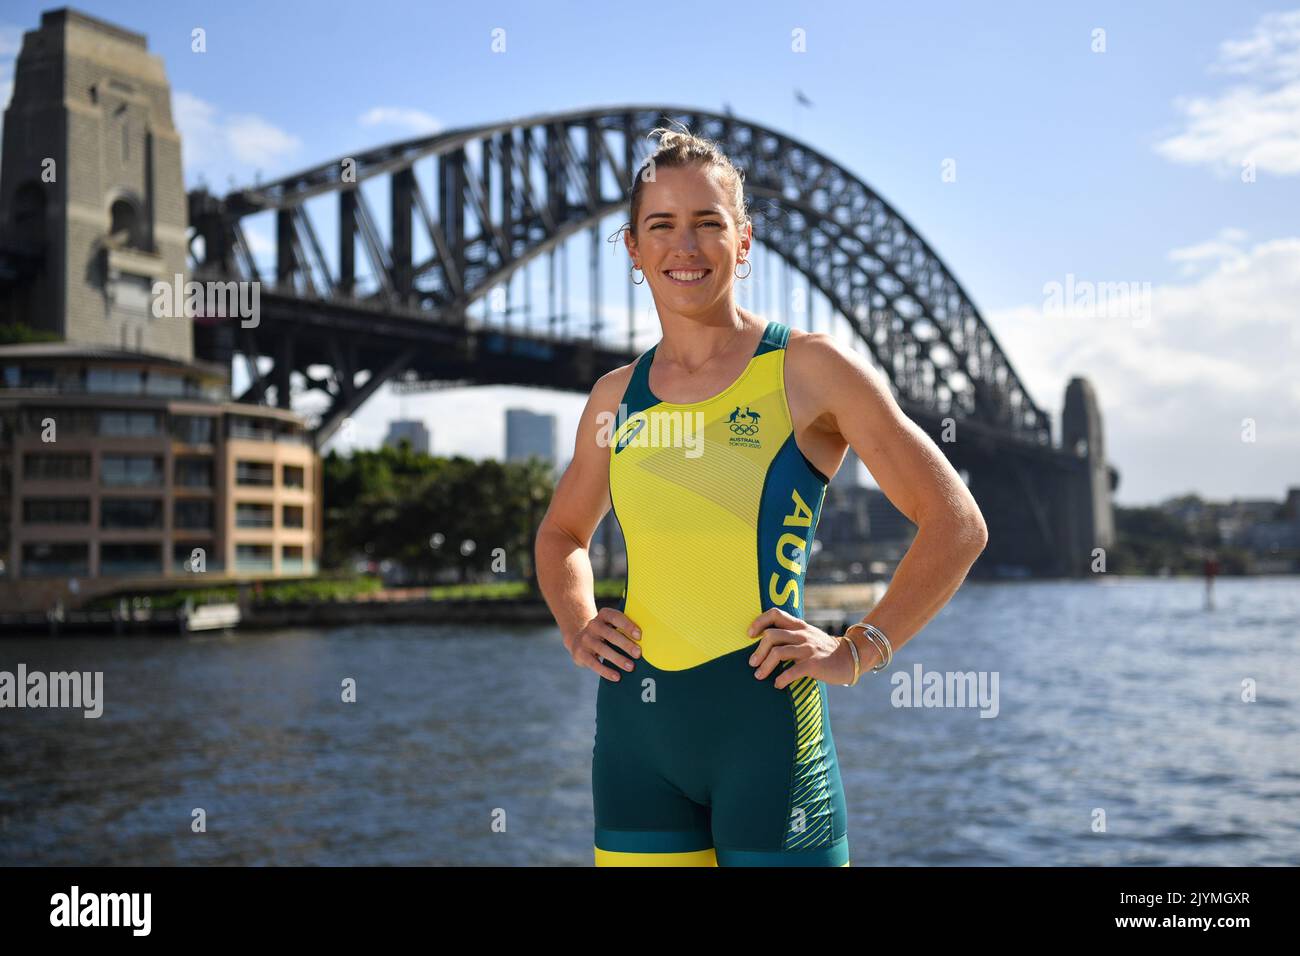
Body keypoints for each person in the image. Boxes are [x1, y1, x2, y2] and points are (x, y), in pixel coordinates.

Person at [534, 125, 988, 867]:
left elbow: (956, 523)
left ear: (743, 243)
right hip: (635, 744)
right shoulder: (614, 399)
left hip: (770, 740)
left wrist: (858, 649)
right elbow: (561, 535)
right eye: (663, 226)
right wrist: (578, 622)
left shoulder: (808, 370)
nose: (686, 245)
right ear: (633, 250)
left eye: (709, 224)